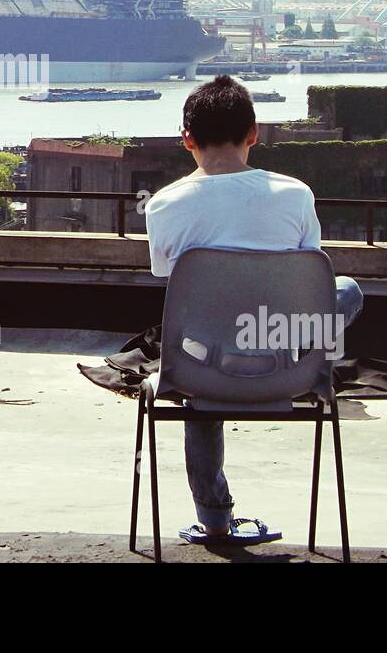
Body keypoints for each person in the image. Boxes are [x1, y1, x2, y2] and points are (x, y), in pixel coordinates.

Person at [143, 75, 364, 546]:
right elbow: (312, 278)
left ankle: (215, 520)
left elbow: (165, 274)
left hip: (205, 371)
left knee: (194, 353)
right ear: (253, 134)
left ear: (187, 139)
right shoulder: (296, 194)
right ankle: (319, 367)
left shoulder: (163, 205)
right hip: (288, 367)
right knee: (346, 288)